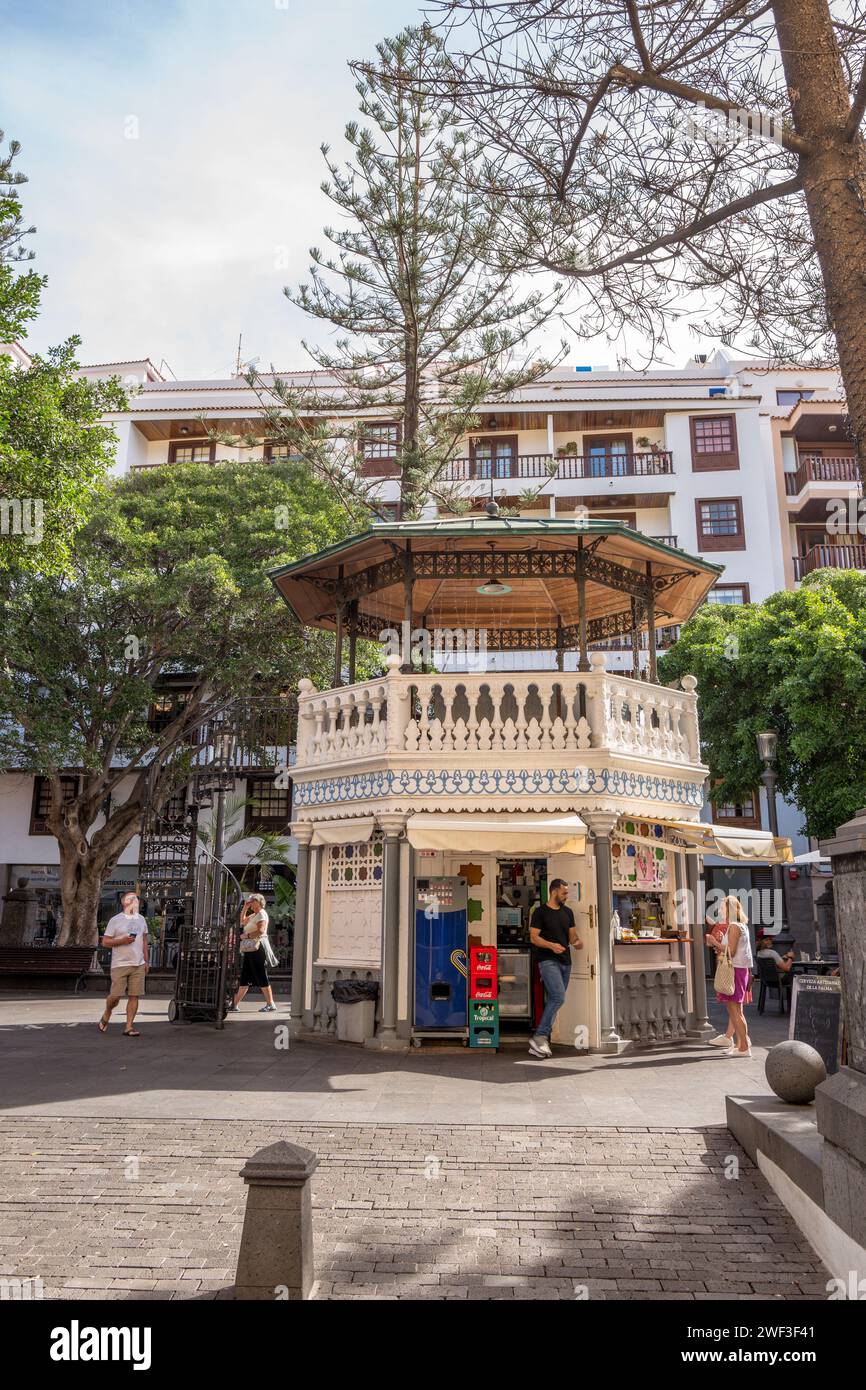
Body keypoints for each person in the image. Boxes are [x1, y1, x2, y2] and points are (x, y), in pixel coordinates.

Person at [528, 878, 583, 1058]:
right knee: (559, 997)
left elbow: (572, 937)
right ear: (554, 892)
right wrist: (552, 946)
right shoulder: (540, 912)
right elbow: (534, 938)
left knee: (555, 1000)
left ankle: (539, 1043)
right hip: (547, 960)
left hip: (566, 961)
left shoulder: (568, 912)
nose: (566, 896)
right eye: (564, 893)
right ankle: (540, 1036)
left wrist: (577, 942)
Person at [705, 894, 754, 1056]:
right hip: (740, 969)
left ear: (729, 909)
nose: (719, 909)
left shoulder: (734, 926)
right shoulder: (741, 925)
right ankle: (741, 1045)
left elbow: (730, 952)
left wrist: (714, 941)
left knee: (735, 1011)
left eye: (722, 907)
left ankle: (744, 1047)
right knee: (736, 1011)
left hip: (736, 970)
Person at [98, 891, 149, 1037]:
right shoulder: (115, 920)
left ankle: (129, 1026)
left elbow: (145, 940)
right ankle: (108, 1011)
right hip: (120, 964)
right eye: (131, 899)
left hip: (138, 963)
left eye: (136, 899)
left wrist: (146, 960)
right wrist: (122, 941)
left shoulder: (141, 920)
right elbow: (105, 942)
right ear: (124, 903)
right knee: (115, 997)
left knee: (135, 995)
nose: (135, 901)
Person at [232, 893, 277, 1013]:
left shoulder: (261, 914)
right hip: (250, 949)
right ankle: (234, 1004)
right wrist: (245, 907)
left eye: (252, 901)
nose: (250, 902)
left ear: (258, 902)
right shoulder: (254, 915)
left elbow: (261, 930)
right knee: (245, 977)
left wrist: (246, 935)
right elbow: (242, 921)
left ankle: (271, 1003)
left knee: (261, 975)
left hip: (258, 948)